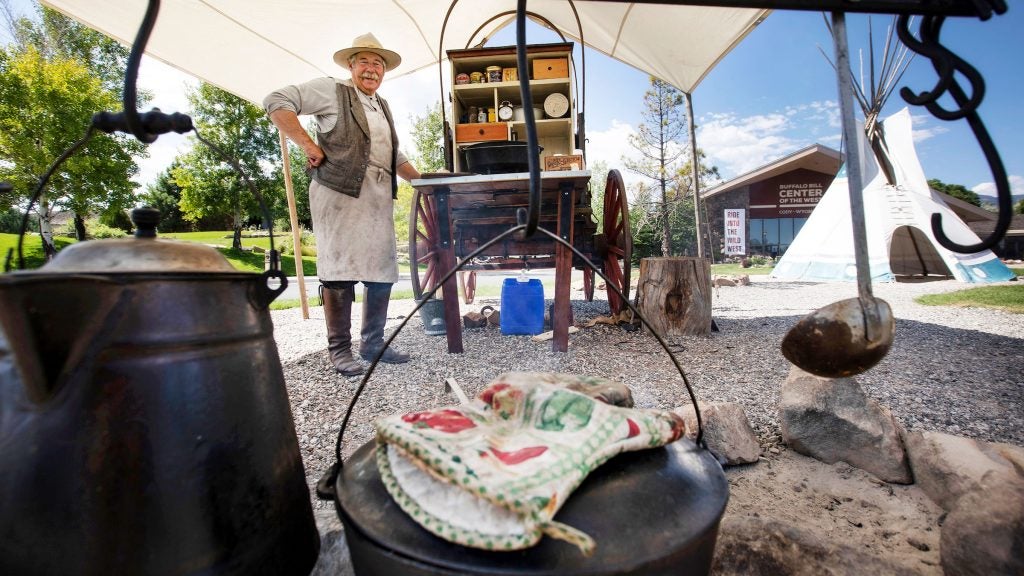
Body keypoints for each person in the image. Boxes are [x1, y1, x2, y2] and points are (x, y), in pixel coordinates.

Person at [263, 33, 421, 376]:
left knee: (381, 270)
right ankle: (339, 350)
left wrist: (423, 181)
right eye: (364, 61)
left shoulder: (381, 105)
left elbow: (396, 157)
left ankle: (373, 343)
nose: (371, 69)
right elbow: (276, 101)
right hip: (339, 193)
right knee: (340, 270)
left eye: (378, 63)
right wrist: (307, 144)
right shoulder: (331, 89)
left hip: (377, 196)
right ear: (350, 65)